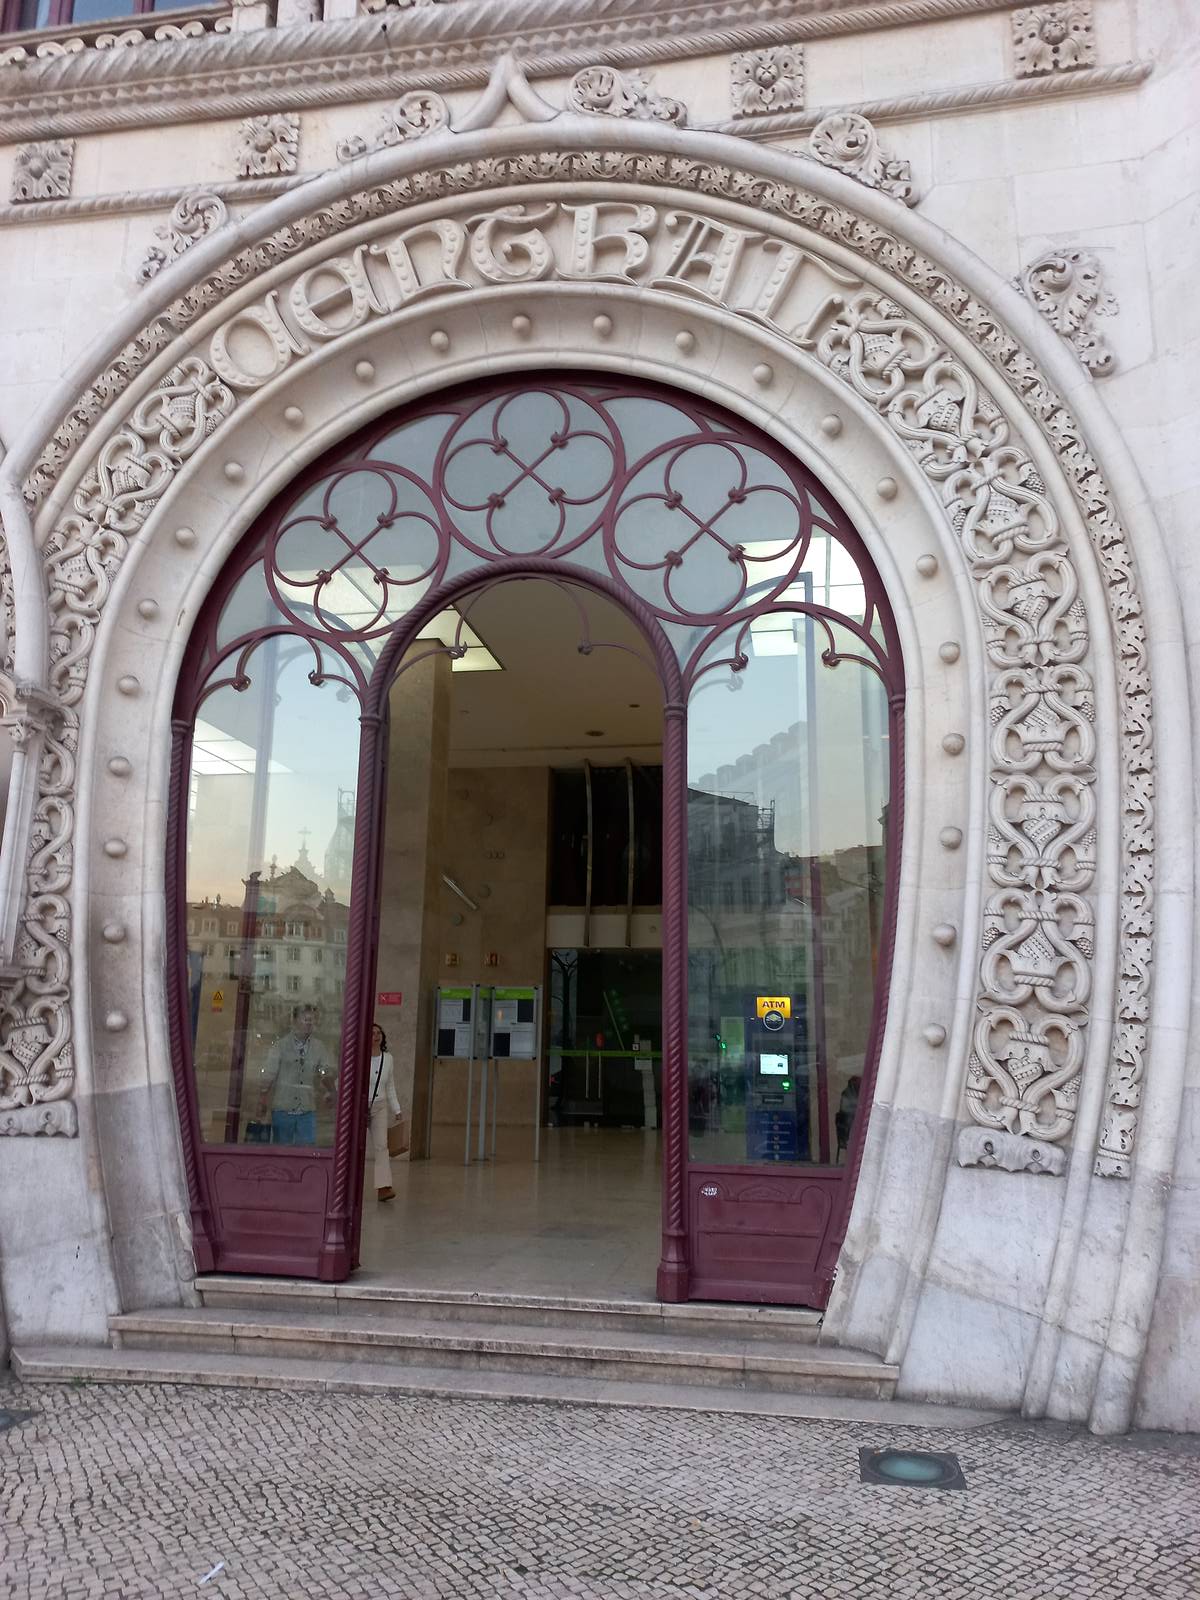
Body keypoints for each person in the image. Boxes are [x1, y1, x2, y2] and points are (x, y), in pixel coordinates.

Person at [255, 1004, 335, 1146]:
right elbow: (269, 1074)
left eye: (312, 1020)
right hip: (282, 1110)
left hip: (307, 1110)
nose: (310, 1023)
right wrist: (262, 1099)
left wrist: (331, 1090)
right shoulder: (280, 1046)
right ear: (295, 1021)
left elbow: (325, 1071)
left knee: (307, 1152)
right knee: (281, 1151)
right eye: (306, 1019)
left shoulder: (319, 1047)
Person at [367, 1023, 402, 1201]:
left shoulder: (388, 1058)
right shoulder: (360, 1057)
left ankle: (383, 1187)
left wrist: (397, 1109)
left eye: (379, 1033)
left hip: (380, 1106)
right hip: (360, 1107)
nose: (376, 1036)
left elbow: (390, 1086)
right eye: (372, 1033)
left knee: (382, 1146)